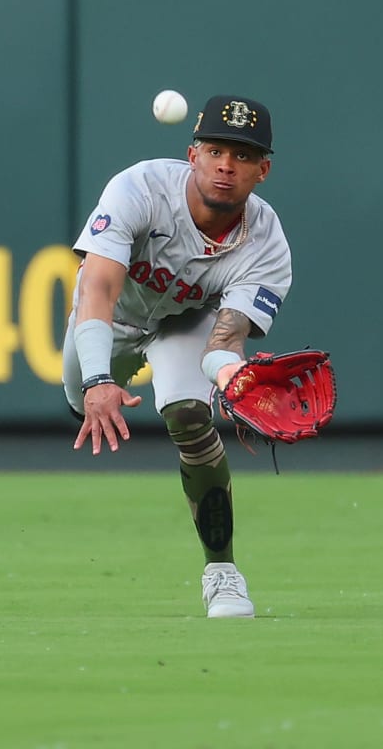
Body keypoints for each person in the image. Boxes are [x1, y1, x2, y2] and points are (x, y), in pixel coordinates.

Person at [62, 94, 292, 619]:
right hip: (113, 315)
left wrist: (233, 379)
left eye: (242, 155)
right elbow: (96, 287)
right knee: (79, 400)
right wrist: (99, 378)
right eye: (215, 150)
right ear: (193, 155)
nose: (226, 166)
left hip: (186, 323)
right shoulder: (140, 188)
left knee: (190, 416)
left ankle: (223, 574)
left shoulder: (267, 242)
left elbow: (224, 342)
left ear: (264, 170)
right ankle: (93, 380)